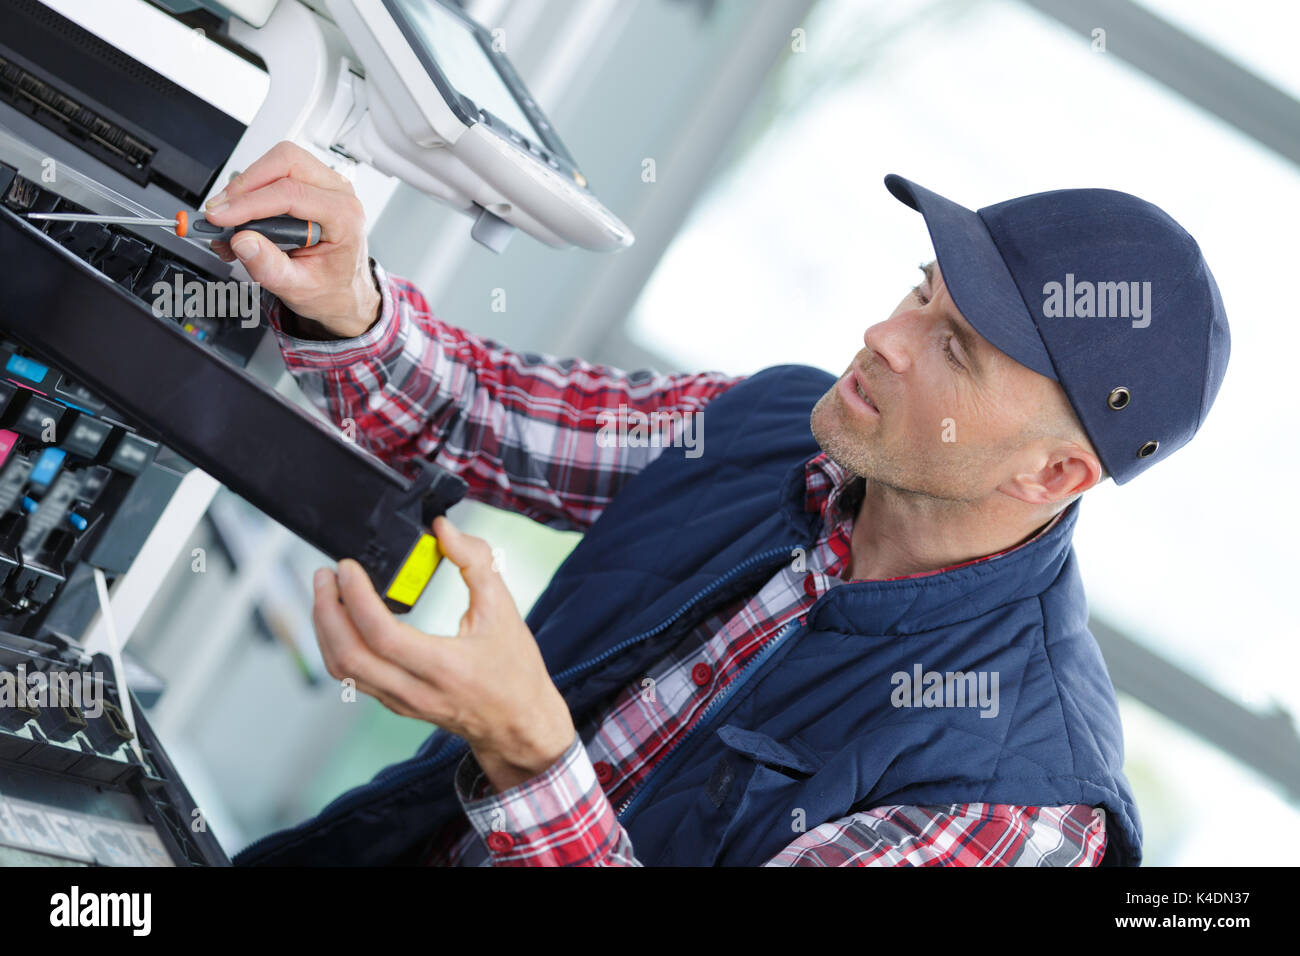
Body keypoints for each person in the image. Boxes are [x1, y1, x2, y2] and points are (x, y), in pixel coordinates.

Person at [210, 142, 1228, 867]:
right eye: (921, 292)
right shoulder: (778, 425)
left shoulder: (1016, 802)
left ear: (1052, 474)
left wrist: (528, 752)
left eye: (952, 348)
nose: (884, 334)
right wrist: (347, 300)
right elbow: (485, 416)